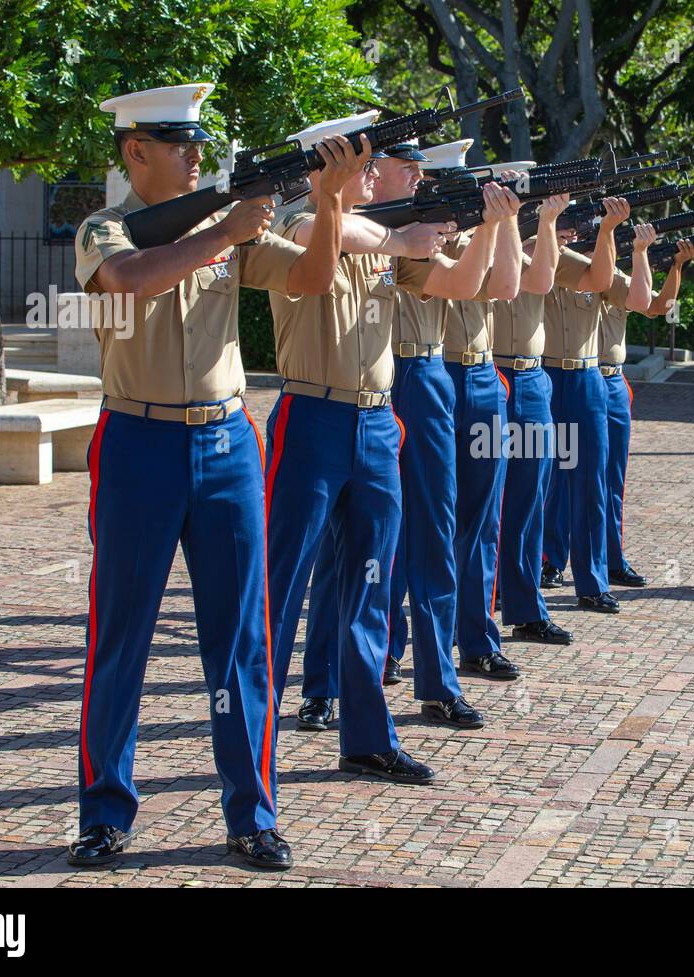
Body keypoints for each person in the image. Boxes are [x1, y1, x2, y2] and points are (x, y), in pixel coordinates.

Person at [68, 83, 348, 871]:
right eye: (178, 144)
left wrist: (326, 203)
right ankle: (104, 812)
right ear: (135, 152)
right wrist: (222, 227)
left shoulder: (228, 226)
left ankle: (252, 813)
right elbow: (129, 280)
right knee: (120, 636)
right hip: (138, 443)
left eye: (198, 143)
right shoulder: (105, 228)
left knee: (242, 643)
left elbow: (312, 281)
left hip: (226, 445)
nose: (195, 155)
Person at [267, 122, 518, 776]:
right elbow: (314, 238)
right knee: (278, 590)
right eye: (366, 164)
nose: (378, 176)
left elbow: (463, 287)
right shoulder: (299, 217)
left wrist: (492, 226)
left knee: (372, 586)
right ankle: (252, 745)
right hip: (314, 414)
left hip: (377, 422)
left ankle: (367, 736)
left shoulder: (385, 239)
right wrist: (393, 235)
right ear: (333, 165)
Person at [410, 139, 526, 680]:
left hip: (479, 375)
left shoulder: (473, 230)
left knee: (480, 519)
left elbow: (505, 288)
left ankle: (476, 637)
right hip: (432, 373)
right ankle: (390, 646)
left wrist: (501, 223)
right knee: (419, 520)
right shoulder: (419, 234)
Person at [537, 205, 651, 613]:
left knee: (591, 484)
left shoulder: (594, 265)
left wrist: (633, 249)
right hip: (545, 377)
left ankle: (592, 581)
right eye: (566, 226)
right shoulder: (534, 253)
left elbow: (639, 299)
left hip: (585, 380)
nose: (571, 234)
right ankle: (539, 565)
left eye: (575, 227)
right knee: (539, 481)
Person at [493, 183, 590, 644]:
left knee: (529, 500)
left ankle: (526, 606)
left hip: (530, 380)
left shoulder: (543, 248)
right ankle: (472, 608)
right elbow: (526, 280)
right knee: (481, 506)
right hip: (491, 375)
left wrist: (548, 229)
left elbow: (546, 279)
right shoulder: (484, 239)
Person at [599, 239, 694, 588]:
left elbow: (661, 307)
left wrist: (676, 268)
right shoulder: (577, 270)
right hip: (575, 377)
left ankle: (611, 558)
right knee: (562, 479)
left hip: (612, 379)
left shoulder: (623, 281)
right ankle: (550, 560)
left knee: (612, 479)